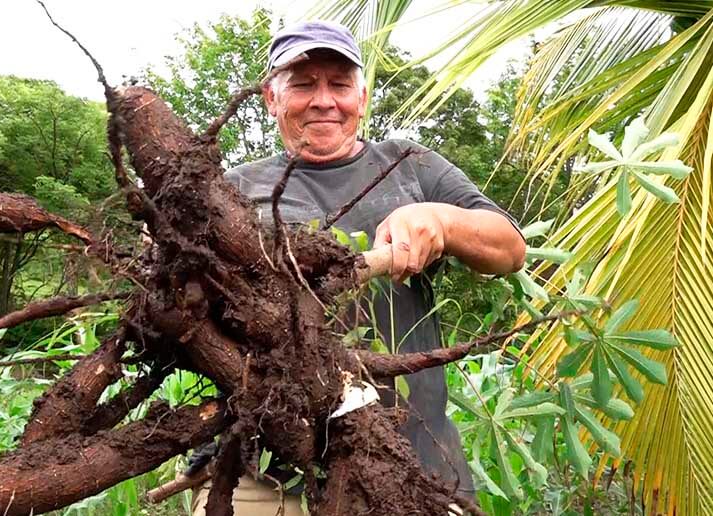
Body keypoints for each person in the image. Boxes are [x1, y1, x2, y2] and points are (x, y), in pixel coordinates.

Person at [190, 20, 526, 516]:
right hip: (265, 473)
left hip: (413, 460)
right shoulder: (229, 191)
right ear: (271, 98)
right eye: (303, 84)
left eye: (340, 84)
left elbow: (510, 248)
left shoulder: (410, 164)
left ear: (362, 98)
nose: (324, 99)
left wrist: (442, 220)